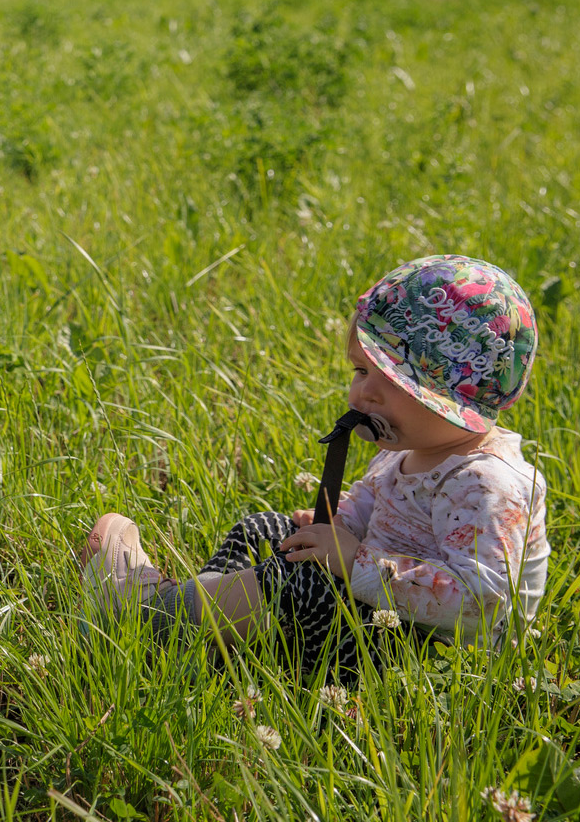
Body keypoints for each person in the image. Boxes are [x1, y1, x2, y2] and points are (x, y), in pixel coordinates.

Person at [79, 255, 547, 680]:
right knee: (269, 530)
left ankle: (147, 616)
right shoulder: (415, 446)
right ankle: (196, 628)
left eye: (394, 385)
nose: (363, 396)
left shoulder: (485, 482)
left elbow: (478, 603)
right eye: (361, 372)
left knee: (303, 577)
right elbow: (375, 506)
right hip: (377, 617)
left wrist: (353, 560)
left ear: (451, 400)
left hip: (428, 660)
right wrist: (338, 522)